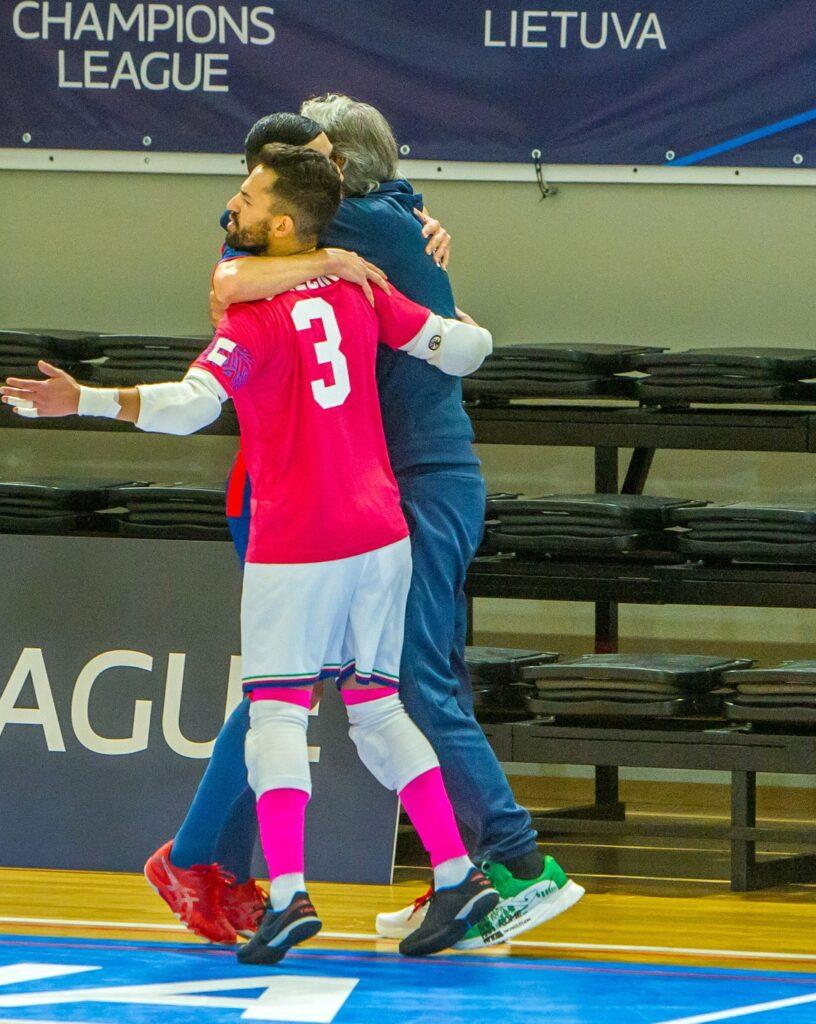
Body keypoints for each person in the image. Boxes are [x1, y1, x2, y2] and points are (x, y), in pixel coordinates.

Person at [2, 145, 497, 962]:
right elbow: (463, 350)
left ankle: (293, 896)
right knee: (377, 710)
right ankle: (456, 876)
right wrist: (461, 320)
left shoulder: (255, 316)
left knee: (275, 711)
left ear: (278, 221)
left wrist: (81, 401)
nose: (229, 206)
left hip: (299, 538)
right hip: (382, 533)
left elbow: (192, 407)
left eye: (243, 195)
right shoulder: (359, 288)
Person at [159, 98, 583, 950]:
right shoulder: (385, 217)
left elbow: (230, 276)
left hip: (390, 487)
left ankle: (513, 865)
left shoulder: (352, 228)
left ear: (335, 175)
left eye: (310, 158)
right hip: (360, 490)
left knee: (365, 684)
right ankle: (445, 870)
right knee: (325, 684)